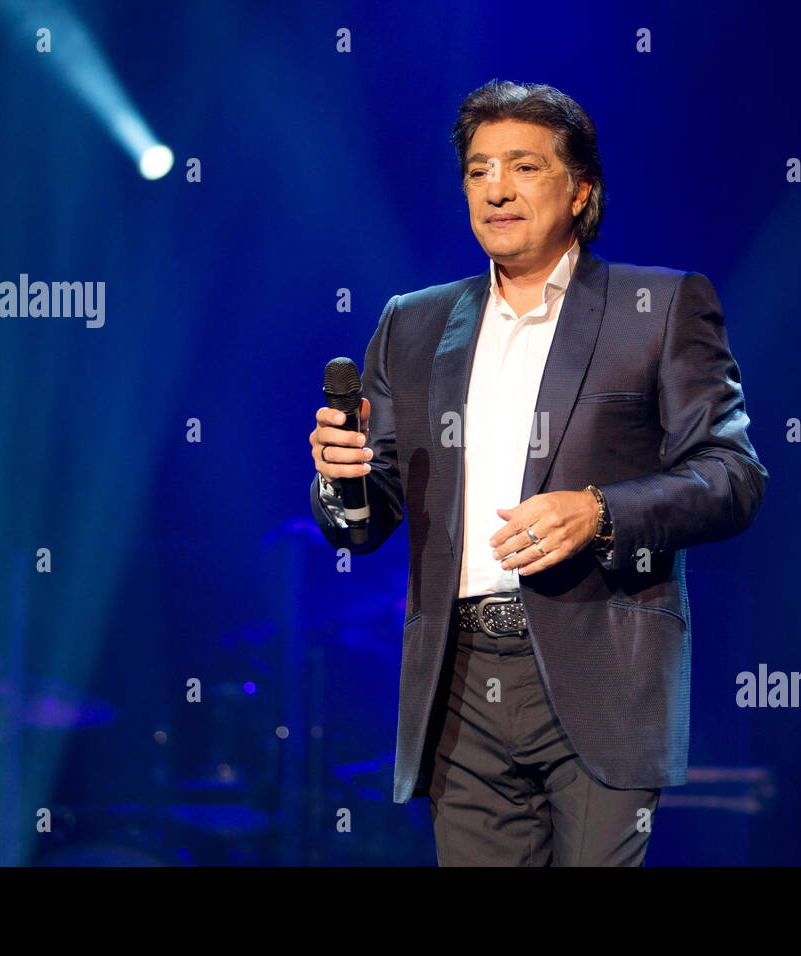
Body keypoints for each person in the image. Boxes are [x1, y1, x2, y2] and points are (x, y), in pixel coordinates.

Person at [309, 79, 768, 866]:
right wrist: (338, 475)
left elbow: (732, 476)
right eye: (479, 169)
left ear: (580, 189)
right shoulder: (412, 323)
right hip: (458, 683)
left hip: (602, 667)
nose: (496, 189)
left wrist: (600, 512)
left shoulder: (657, 308)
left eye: (523, 167)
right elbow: (367, 521)